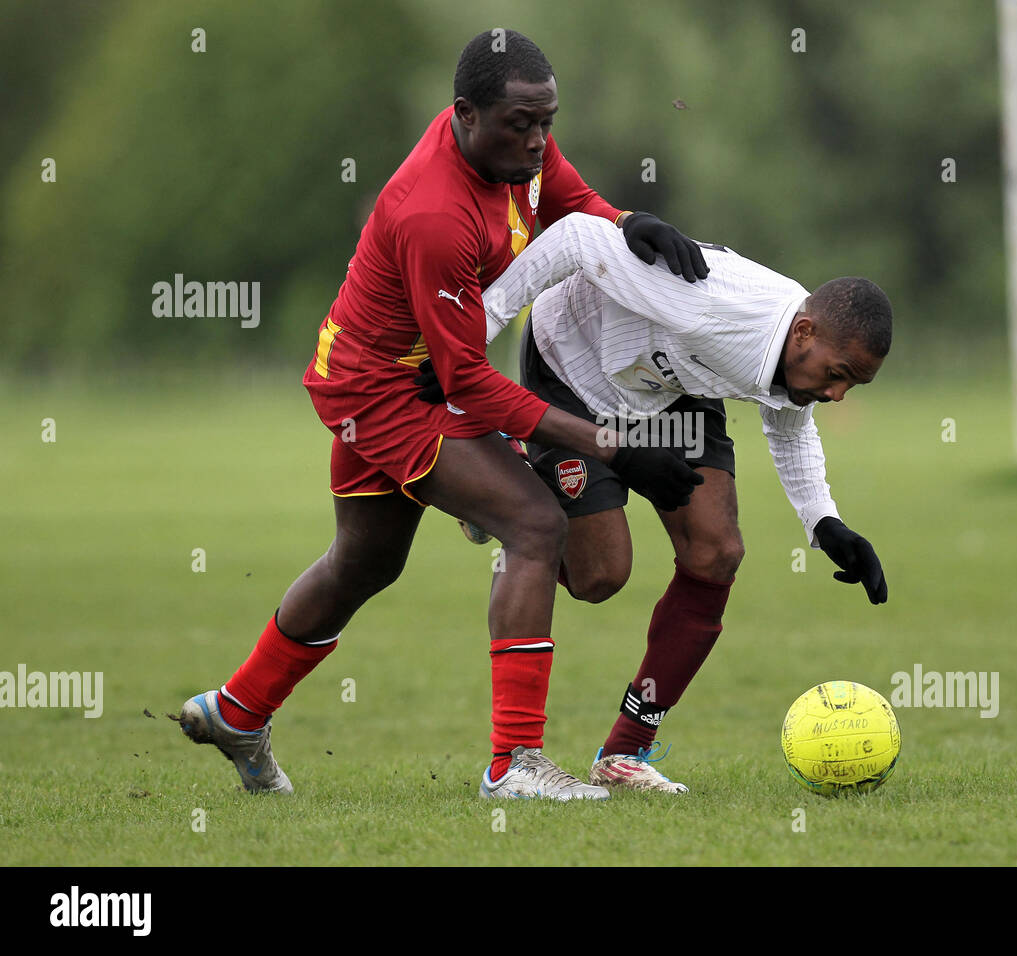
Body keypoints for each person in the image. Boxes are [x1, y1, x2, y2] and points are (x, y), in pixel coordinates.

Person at [173, 30, 707, 802]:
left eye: (546, 122)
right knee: (534, 524)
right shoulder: (435, 213)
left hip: (402, 377)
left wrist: (624, 221)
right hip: (381, 389)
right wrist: (614, 449)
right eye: (520, 124)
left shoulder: (514, 146)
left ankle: (237, 710)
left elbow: (564, 195)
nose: (537, 140)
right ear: (463, 115)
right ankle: (513, 765)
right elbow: (471, 384)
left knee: (364, 562)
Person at [423, 211, 892, 793]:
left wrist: (825, 524)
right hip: (577, 372)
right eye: (838, 375)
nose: (838, 394)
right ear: (803, 333)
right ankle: (504, 484)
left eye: (852, 385)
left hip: (671, 392)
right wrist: (463, 344)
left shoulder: (802, 348)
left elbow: (789, 423)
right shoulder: (711, 309)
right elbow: (573, 237)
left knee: (716, 552)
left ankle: (624, 756)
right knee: (600, 576)